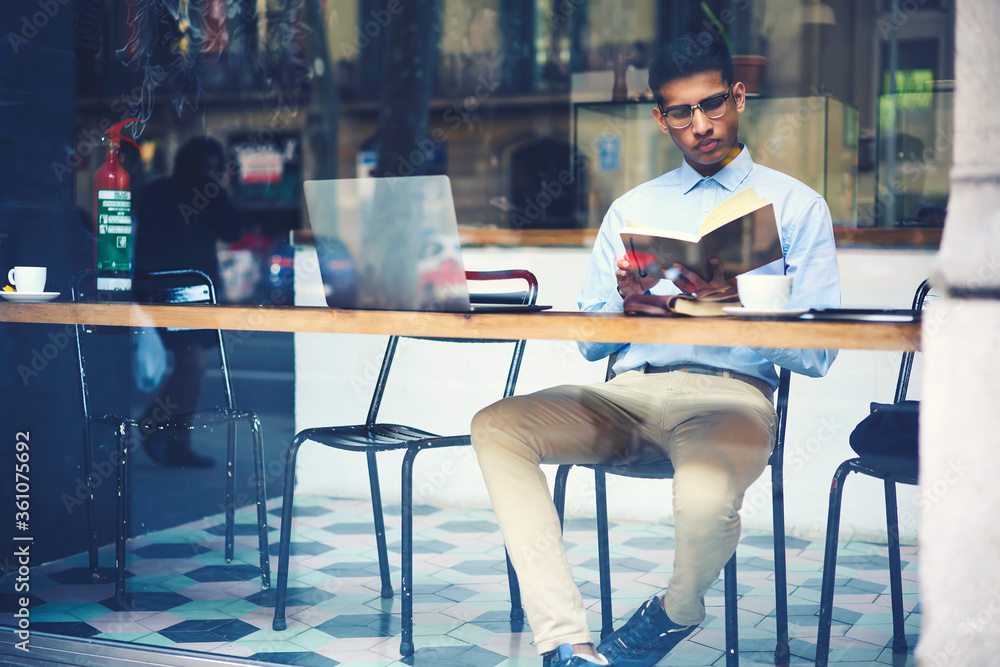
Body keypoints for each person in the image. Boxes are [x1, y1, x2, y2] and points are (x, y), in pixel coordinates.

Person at [471, 32, 840, 667]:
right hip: (630, 395)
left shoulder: (797, 208)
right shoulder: (632, 210)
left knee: (702, 499)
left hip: (732, 401)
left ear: (738, 97)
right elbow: (591, 346)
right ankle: (565, 643)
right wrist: (627, 303)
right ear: (660, 118)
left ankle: (676, 612)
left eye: (713, 104)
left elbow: (818, 356)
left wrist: (742, 305)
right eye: (681, 112)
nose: (701, 125)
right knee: (497, 426)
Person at [133, 137, 242, 467]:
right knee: (193, 365)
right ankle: (161, 430)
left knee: (191, 366)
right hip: (182, 290)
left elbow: (231, 230)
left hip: (181, 290)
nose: (209, 172)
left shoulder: (160, 191)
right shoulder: (192, 192)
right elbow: (232, 230)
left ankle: (172, 437)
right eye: (207, 166)